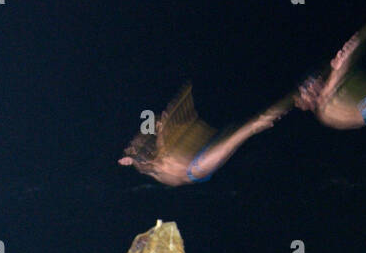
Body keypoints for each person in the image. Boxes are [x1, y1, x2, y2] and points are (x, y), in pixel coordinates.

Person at [118, 80, 297, 186]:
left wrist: (161, 128)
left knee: (247, 123)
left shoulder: (148, 137)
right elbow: (150, 162)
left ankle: (300, 94)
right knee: (256, 123)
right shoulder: (143, 160)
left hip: (195, 148)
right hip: (193, 168)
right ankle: (299, 95)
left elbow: (158, 123)